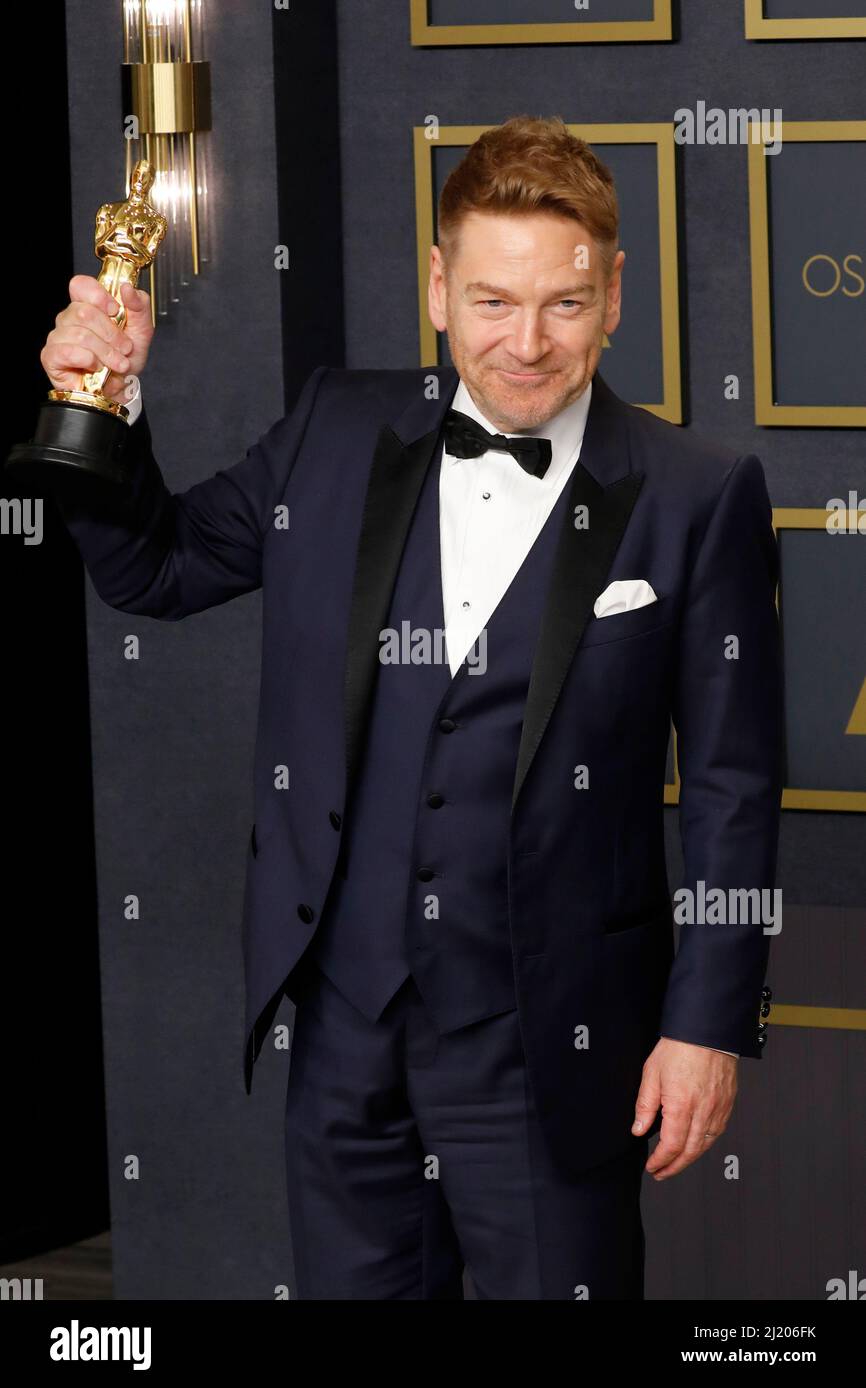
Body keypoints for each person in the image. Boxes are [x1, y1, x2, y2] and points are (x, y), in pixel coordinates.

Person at [38, 115, 783, 1300]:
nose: (527, 345)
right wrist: (103, 405)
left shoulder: (696, 494)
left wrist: (710, 1027)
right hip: (345, 1036)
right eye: (491, 302)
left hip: (553, 1048)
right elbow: (158, 570)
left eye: (562, 305)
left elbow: (738, 787)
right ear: (437, 286)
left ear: (614, 292)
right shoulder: (336, 429)